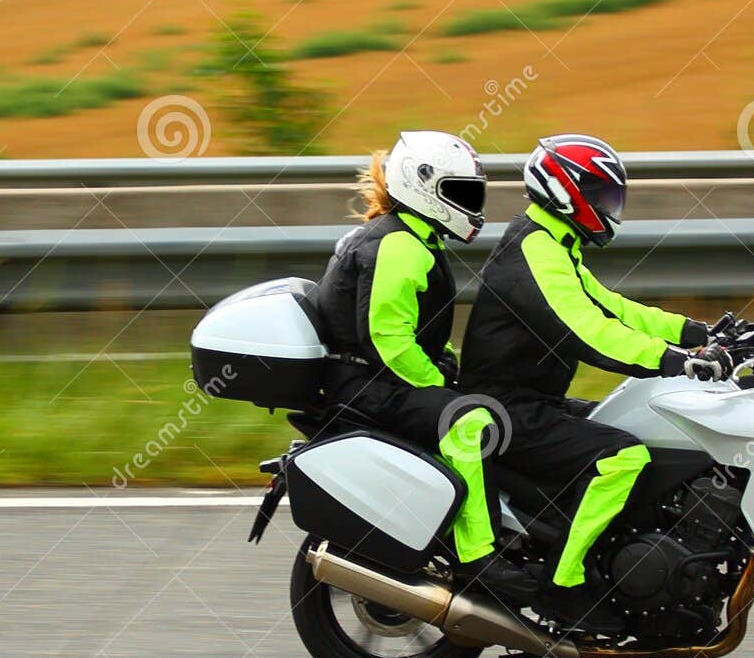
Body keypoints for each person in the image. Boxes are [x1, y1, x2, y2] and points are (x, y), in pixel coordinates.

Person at [458, 134, 732, 610]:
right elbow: (587, 332)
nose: (609, 208)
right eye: (603, 196)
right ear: (568, 191)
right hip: (505, 408)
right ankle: (564, 586)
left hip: (528, 401)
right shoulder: (535, 251)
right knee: (621, 457)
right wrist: (673, 361)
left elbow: (614, 308)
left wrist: (695, 331)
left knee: (638, 430)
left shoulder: (551, 243)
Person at [309, 130, 537, 605]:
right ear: (423, 186)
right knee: (469, 421)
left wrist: (444, 370)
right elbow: (386, 337)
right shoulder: (400, 244)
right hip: (365, 384)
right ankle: (479, 558)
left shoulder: (409, 236)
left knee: (478, 406)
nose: (471, 203)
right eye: (461, 192)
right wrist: (441, 385)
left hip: (368, 378)